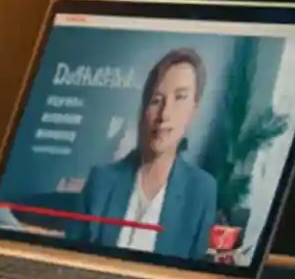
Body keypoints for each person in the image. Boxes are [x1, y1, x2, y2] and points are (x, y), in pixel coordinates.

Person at [66, 48, 218, 260]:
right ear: (144, 109)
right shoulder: (101, 179)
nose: (164, 114)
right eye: (156, 100)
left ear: (194, 108)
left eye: (180, 98)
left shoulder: (202, 190)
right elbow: (66, 259)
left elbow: (194, 275)